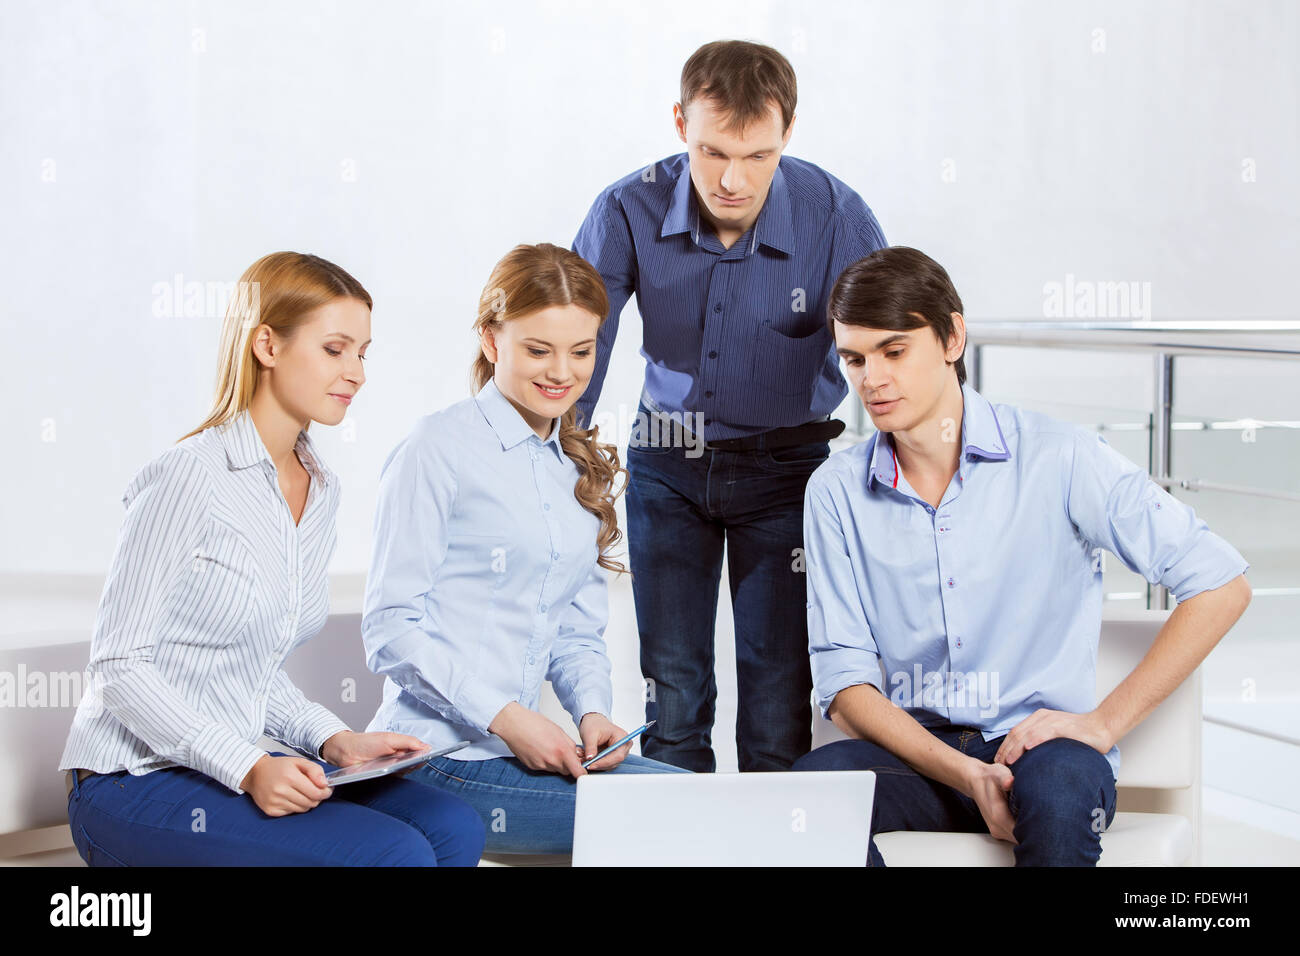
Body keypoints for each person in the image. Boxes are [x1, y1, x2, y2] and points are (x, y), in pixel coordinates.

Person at [792, 246, 1253, 866]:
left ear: (952, 336)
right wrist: (965, 773)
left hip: (1043, 753)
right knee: (811, 797)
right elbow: (847, 686)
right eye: (854, 358)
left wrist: (1102, 725)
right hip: (921, 758)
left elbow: (1221, 583)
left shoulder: (1059, 458)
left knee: (1062, 795)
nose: (871, 379)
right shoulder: (835, 492)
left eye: (894, 351)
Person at [58, 252, 486, 866]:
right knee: (392, 853)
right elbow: (120, 664)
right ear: (267, 345)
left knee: (453, 827)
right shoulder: (188, 477)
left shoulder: (321, 488)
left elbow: (247, 670)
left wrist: (333, 739)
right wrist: (246, 766)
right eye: (335, 349)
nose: (357, 372)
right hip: (131, 779)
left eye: (363, 352)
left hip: (243, 755)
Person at [571, 39, 889, 773]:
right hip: (666, 463)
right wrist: (562, 463)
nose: (732, 179)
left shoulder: (838, 216)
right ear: (680, 121)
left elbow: (888, 342)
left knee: (779, 696)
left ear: (789, 134)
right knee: (673, 694)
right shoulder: (626, 207)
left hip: (789, 469)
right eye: (712, 152)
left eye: (758, 156)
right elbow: (577, 337)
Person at [362, 243, 688, 856]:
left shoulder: (573, 468)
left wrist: (592, 714)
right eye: (538, 350)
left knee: (712, 805)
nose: (562, 372)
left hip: (522, 755)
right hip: (434, 757)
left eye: (581, 351)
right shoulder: (438, 448)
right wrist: (511, 719)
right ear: (491, 339)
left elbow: (572, 630)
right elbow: (391, 630)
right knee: (686, 824)